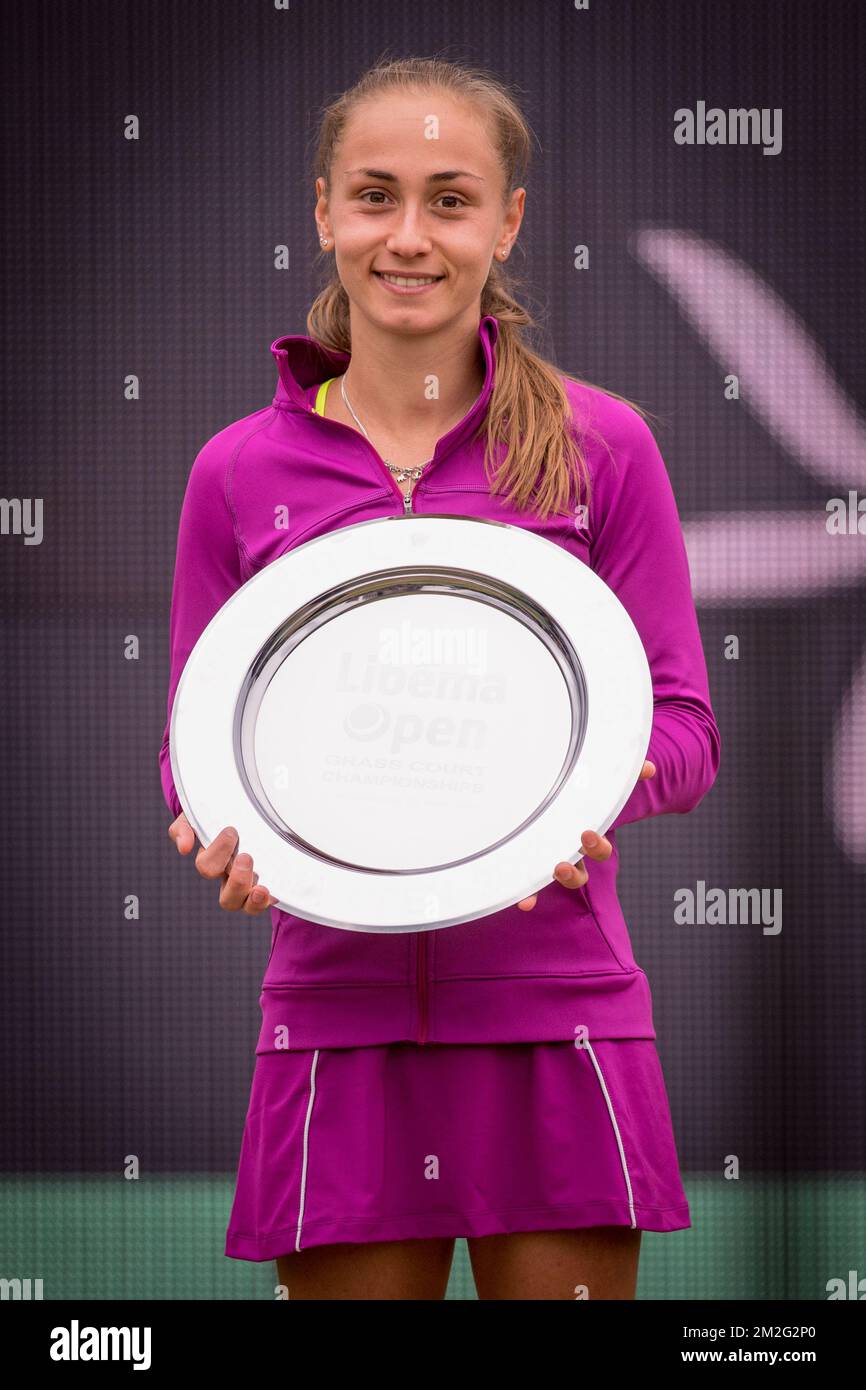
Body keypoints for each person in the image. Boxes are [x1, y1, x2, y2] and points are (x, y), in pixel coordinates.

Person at [159, 56, 721, 1300]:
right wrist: (218, 827)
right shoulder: (234, 474)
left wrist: (569, 791)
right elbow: (198, 737)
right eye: (373, 195)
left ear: (508, 221)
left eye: (449, 199)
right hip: (335, 1021)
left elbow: (682, 728)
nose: (407, 236)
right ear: (322, 211)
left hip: (554, 1014)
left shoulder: (601, 447)